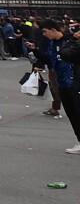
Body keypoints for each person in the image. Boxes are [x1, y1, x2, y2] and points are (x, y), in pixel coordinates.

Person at [37, 19, 80, 154]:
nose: (44, 34)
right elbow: (50, 60)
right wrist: (35, 52)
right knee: (72, 114)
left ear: (53, 29)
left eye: (45, 31)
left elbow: (66, 55)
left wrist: (73, 39)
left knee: (78, 113)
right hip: (62, 84)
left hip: (74, 82)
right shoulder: (52, 44)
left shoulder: (70, 42)